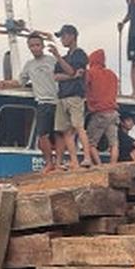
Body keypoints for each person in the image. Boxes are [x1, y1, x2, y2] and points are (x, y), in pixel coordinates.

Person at [0, 33, 61, 173]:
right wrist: (5, 83)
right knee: (43, 134)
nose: (35, 48)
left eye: (37, 45)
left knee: (60, 133)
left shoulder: (52, 61)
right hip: (43, 102)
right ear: (29, 48)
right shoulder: (29, 65)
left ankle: (59, 163)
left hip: (58, 101)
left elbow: (65, 75)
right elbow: (20, 82)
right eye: (32, 46)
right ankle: (49, 163)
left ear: (42, 46)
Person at [49, 24, 91, 169]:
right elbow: (57, 76)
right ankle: (74, 160)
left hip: (75, 95)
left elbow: (71, 70)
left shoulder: (80, 54)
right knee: (66, 131)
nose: (62, 39)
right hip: (62, 96)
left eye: (64, 36)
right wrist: (71, 76)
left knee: (79, 127)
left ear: (72, 36)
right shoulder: (66, 57)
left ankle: (86, 158)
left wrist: (58, 57)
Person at [84, 49, 121, 165]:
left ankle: (99, 165)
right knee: (114, 143)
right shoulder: (112, 75)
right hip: (114, 113)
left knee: (90, 143)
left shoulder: (90, 73)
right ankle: (113, 165)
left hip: (99, 113)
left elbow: (84, 86)